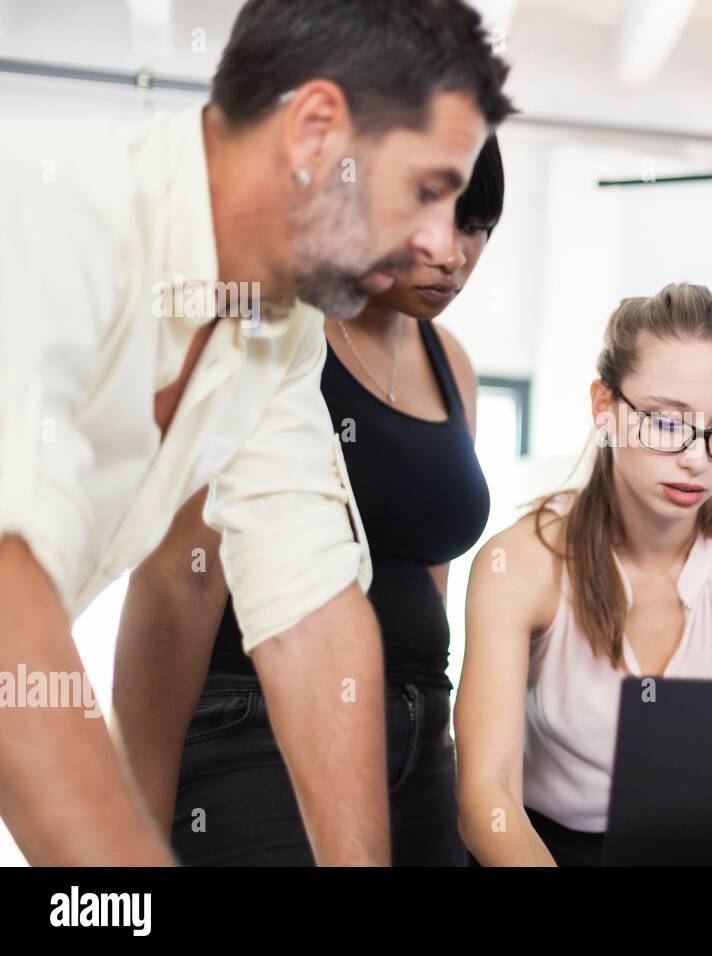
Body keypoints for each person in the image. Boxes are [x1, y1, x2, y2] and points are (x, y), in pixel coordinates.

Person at [0, 0, 511, 865]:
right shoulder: (49, 216)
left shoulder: (275, 322)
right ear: (314, 128)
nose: (441, 244)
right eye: (428, 190)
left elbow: (310, 610)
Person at [112, 136, 505, 866]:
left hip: (419, 734)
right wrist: (130, 835)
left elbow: (426, 570)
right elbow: (182, 578)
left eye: (477, 225)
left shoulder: (452, 364)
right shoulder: (269, 329)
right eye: (433, 220)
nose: (455, 255)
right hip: (256, 722)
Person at [456, 283, 712, 866]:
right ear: (604, 410)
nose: (697, 458)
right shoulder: (521, 564)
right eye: (665, 423)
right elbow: (488, 797)